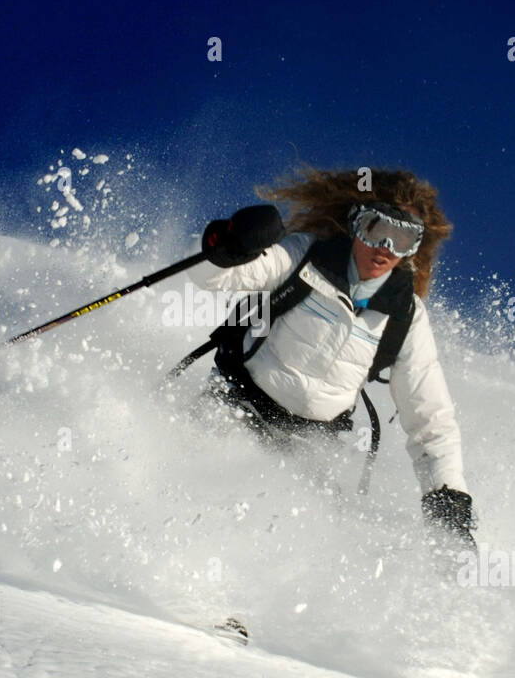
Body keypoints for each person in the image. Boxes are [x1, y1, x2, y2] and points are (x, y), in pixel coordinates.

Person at [194, 166, 474, 561]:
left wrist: (449, 499)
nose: (386, 248)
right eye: (378, 229)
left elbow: (430, 416)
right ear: (358, 223)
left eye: (404, 238)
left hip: (308, 444)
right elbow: (213, 277)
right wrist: (228, 246)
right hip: (235, 406)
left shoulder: (404, 315)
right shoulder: (304, 256)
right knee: (203, 497)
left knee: (289, 541)